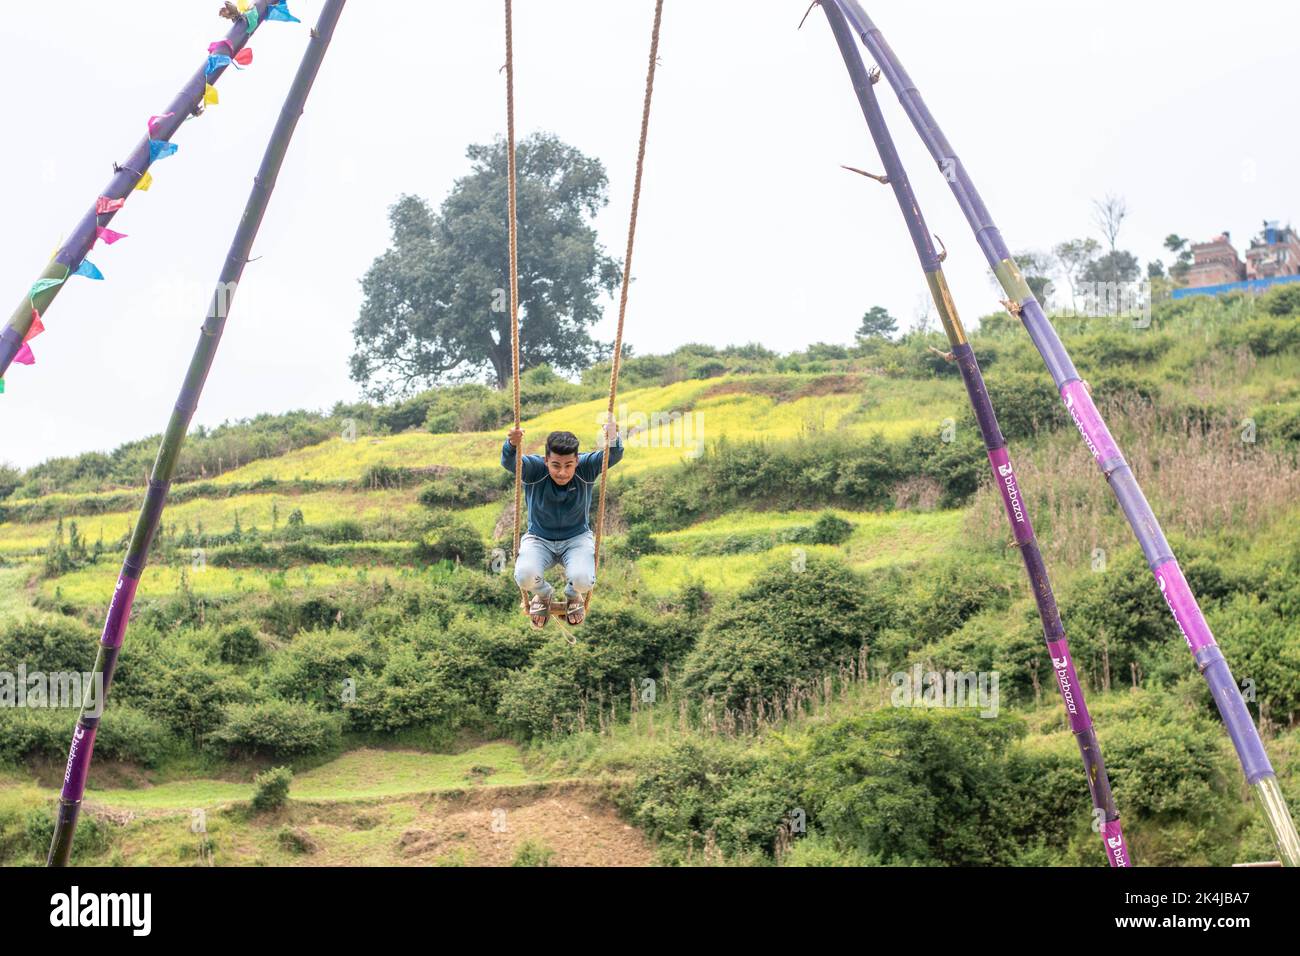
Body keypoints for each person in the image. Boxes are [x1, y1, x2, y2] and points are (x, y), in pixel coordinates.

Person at [501, 421, 624, 628]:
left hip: (576, 538)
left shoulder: (586, 468)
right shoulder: (534, 470)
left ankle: (572, 595)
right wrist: (511, 444)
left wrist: (613, 437)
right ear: (546, 460)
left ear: (577, 460)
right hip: (539, 538)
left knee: (583, 580)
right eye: (555, 465)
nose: (562, 473)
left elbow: (613, 455)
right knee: (524, 576)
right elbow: (510, 462)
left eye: (568, 465)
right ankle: (543, 594)